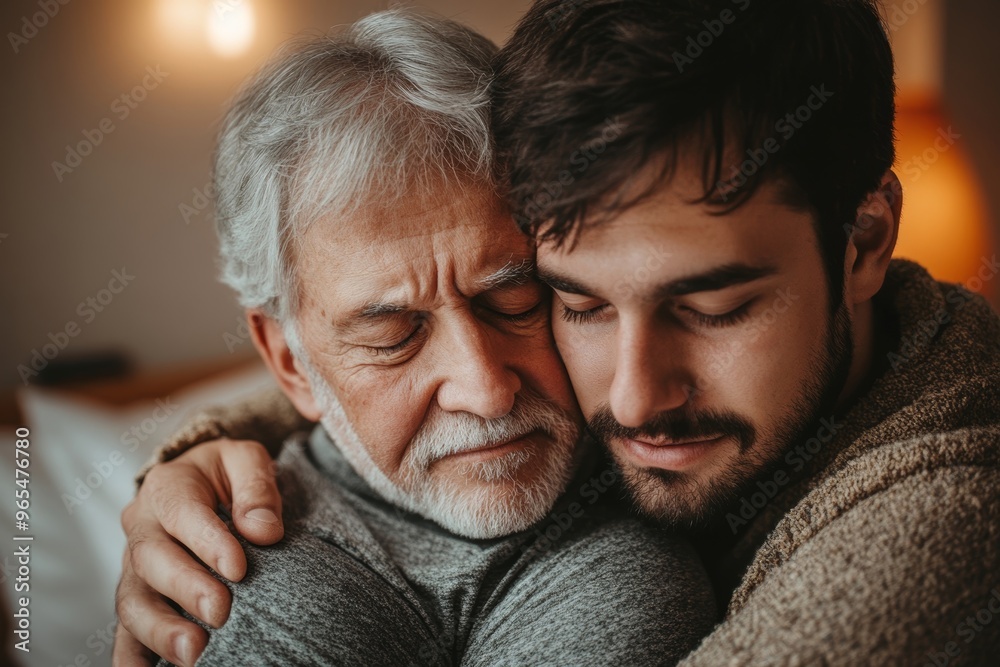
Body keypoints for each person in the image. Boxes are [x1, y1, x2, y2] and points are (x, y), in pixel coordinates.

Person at [117, 0, 1000, 664]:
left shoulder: (937, 534)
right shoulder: (232, 521)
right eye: (576, 303)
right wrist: (192, 456)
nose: (633, 397)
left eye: (714, 306)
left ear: (866, 242)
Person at [118, 9, 716, 667]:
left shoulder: (657, 525)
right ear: (289, 362)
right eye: (393, 334)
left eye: (515, 299)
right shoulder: (228, 579)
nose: (485, 389)